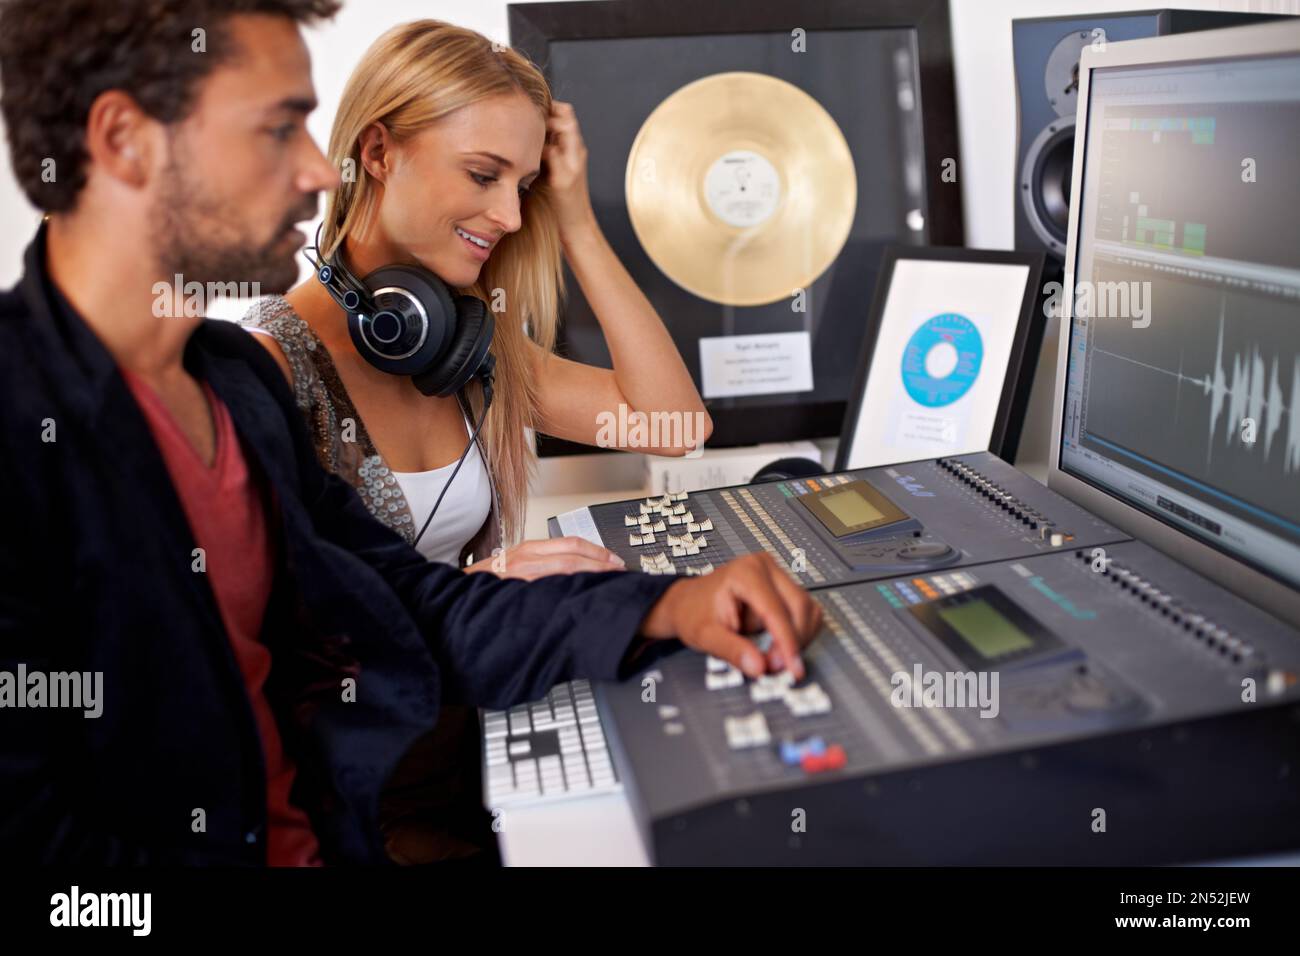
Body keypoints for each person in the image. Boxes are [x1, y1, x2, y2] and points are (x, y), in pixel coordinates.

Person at [0, 0, 820, 865]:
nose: (320, 172)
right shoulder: (30, 428)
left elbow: (404, 609)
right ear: (125, 139)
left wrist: (663, 605)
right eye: (279, 130)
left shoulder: (231, 389)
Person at [244, 19, 712, 579]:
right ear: (376, 152)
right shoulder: (271, 365)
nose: (512, 218)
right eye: (483, 174)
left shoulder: (462, 347)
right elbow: (265, 632)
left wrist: (577, 227)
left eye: (522, 187)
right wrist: (482, 586)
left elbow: (676, 428)